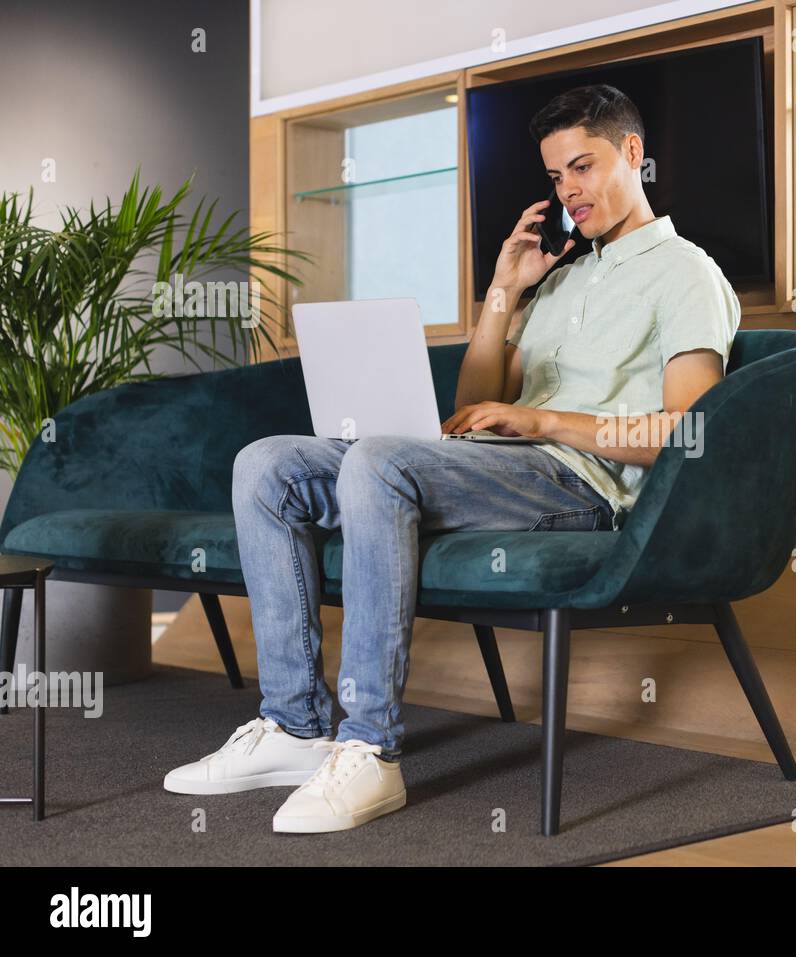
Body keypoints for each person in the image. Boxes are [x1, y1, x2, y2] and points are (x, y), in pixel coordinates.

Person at [162, 83, 742, 833]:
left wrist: (538, 418)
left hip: (582, 486)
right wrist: (504, 290)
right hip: (499, 466)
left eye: (583, 166)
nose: (568, 190)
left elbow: (686, 432)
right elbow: (475, 397)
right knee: (267, 465)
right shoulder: (561, 277)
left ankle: (369, 747)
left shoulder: (686, 272)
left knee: (377, 463)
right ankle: (296, 727)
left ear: (633, 154)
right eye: (556, 176)